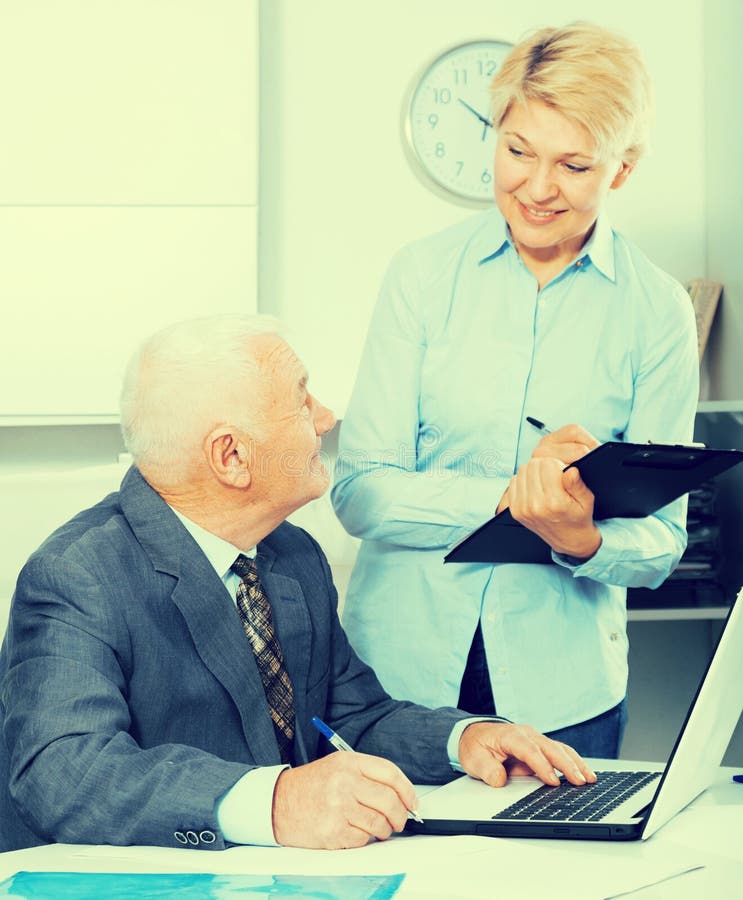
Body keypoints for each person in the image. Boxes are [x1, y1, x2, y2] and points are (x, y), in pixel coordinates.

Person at [0, 315, 595, 853]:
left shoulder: (292, 552)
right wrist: (279, 802)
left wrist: (463, 739)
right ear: (231, 456)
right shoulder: (77, 575)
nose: (327, 418)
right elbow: (62, 772)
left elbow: (350, 716)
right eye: (300, 401)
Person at [331, 22, 699, 758]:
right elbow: (360, 493)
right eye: (517, 151)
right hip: (398, 686)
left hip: (566, 696)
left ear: (621, 170)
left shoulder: (658, 312)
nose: (536, 188)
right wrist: (511, 498)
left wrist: (581, 538)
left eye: (573, 165)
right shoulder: (420, 277)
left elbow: (661, 541)